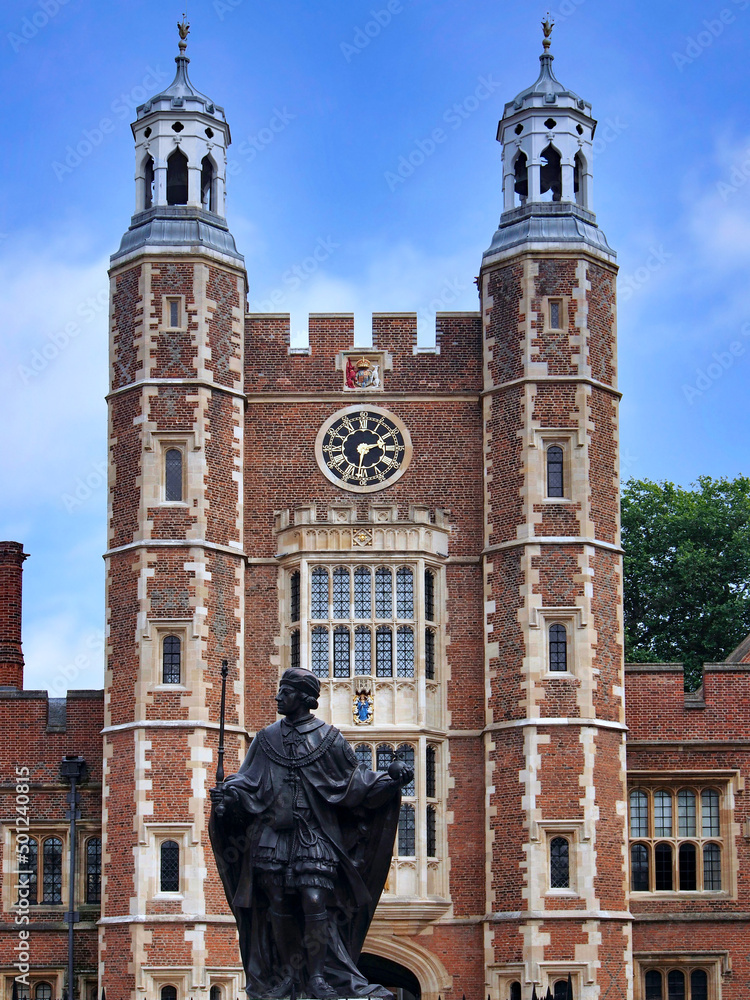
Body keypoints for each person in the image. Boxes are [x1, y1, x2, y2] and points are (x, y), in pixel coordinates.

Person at [209, 667, 413, 1000]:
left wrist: (391, 779)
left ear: (304, 698)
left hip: (313, 835)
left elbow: (355, 782)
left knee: (315, 899)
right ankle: (289, 975)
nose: (278, 698)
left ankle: (317, 976)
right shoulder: (266, 739)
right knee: (276, 902)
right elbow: (249, 782)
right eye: (278, 691)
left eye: (285, 692)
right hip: (272, 835)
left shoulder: (329, 739)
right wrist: (229, 794)